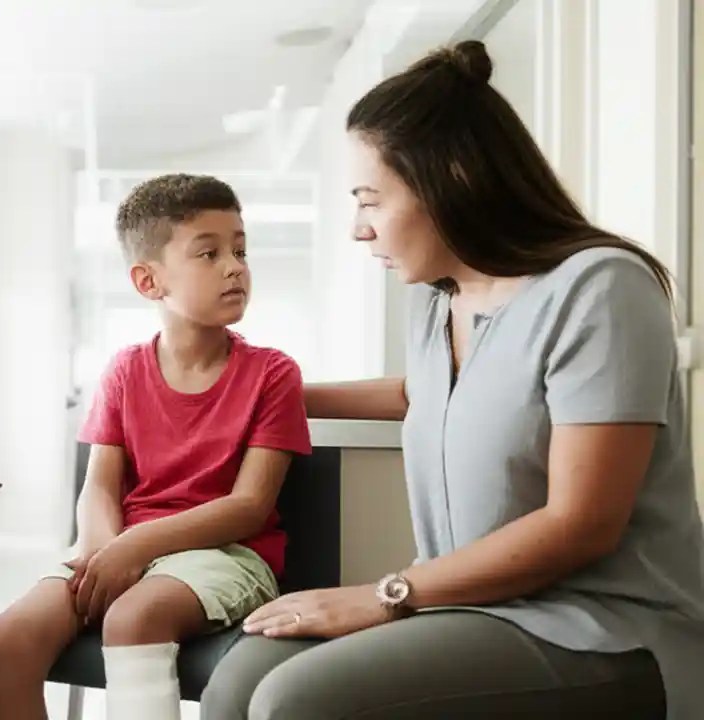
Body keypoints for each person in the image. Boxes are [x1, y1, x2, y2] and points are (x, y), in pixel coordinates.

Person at [200, 40, 704, 720]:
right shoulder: (439, 301)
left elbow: (582, 524)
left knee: (297, 701)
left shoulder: (600, 290)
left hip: (605, 629)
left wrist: (384, 594)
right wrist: (262, 391)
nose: (357, 228)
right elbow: (431, 394)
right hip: (468, 608)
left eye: (370, 199)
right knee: (240, 676)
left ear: (454, 174)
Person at [0, 174, 312, 720]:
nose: (234, 266)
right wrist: (99, 555)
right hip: (126, 548)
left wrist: (133, 551)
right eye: (208, 253)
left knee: (134, 618)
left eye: (240, 250)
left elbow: (248, 506)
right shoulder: (124, 370)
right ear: (147, 281)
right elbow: (98, 491)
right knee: (10, 637)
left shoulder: (273, 373)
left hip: (227, 556)